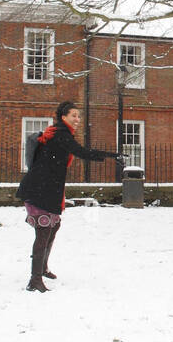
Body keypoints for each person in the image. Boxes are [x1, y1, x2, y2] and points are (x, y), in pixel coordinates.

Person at [15, 101, 123, 293]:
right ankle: (35, 279)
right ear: (63, 117)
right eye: (73, 115)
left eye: (79, 116)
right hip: (40, 189)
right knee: (43, 231)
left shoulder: (56, 132)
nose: (77, 119)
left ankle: (43, 268)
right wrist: (112, 155)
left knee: (53, 226)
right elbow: (82, 152)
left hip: (45, 188)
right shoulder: (61, 135)